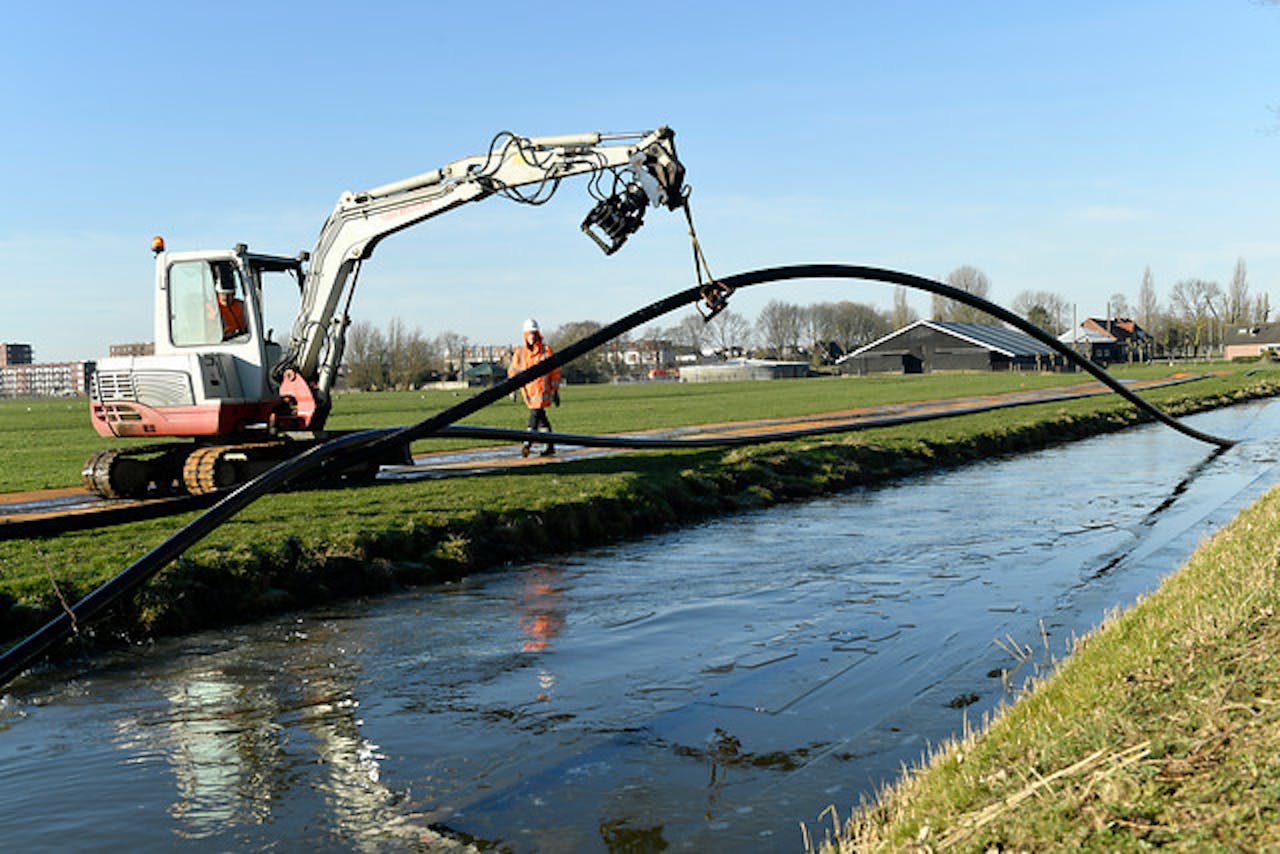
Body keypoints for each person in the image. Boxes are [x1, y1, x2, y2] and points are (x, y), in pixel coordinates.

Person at [508, 318, 561, 457]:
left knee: (535, 416)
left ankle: (527, 444)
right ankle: (550, 446)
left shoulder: (546, 350)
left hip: (542, 391)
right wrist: (512, 389)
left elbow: (554, 372)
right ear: (525, 336)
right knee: (542, 418)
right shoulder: (519, 353)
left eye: (533, 333)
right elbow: (513, 371)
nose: (531, 337)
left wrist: (555, 391)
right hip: (528, 392)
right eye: (529, 334)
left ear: (537, 334)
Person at [213, 262, 248, 340]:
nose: (226, 297)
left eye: (229, 294)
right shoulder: (211, 308)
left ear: (234, 293)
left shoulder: (242, 306)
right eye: (223, 294)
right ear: (217, 293)